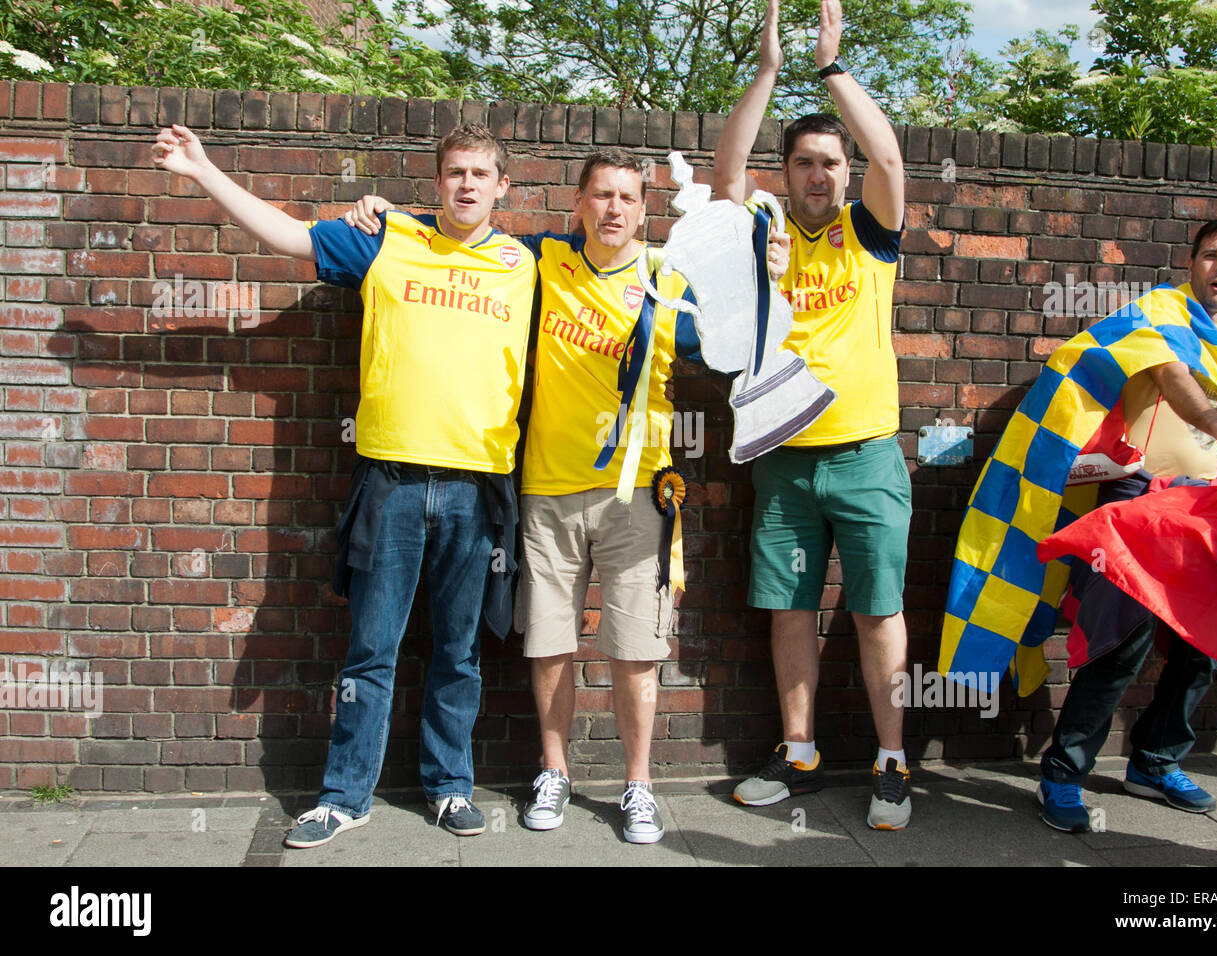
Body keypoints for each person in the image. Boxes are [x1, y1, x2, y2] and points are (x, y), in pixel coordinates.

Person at [350, 147, 792, 843]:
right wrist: (389, 215)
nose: (613, 208)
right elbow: (464, 232)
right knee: (551, 645)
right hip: (547, 492)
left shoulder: (668, 280)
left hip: (637, 496)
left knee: (633, 649)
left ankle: (638, 785)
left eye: (626, 198)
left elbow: (740, 342)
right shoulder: (541, 261)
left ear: (644, 210)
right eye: (601, 195)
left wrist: (762, 277)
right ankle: (553, 773)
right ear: (579, 203)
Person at [152, 122, 537, 847]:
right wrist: (203, 170)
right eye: (454, 172)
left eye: (480, 175)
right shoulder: (386, 238)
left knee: (459, 652)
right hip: (389, 482)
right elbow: (289, 237)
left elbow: (619, 262)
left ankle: (450, 787)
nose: (466, 185)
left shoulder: (529, 262)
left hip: (478, 489)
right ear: (437, 180)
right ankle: (345, 794)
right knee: (370, 651)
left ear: (502, 187)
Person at [710, 0, 913, 829]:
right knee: (790, 608)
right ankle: (797, 749)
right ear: (786, 171)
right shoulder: (761, 230)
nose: (820, 175)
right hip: (784, 457)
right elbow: (726, 178)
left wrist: (831, 66)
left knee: (877, 611)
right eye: (804, 163)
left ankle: (892, 760)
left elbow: (891, 155)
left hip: (865, 454)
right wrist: (766, 70)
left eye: (831, 161)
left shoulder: (871, 234)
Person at [1036, 218, 1217, 832]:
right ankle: (1061, 774)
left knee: (1202, 648)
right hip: (1142, 504)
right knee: (1120, 647)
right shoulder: (1162, 315)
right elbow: (1174, 380)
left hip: (1206, 508)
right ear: (1191, 263)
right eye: (1210, 255)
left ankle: (1156, 760)